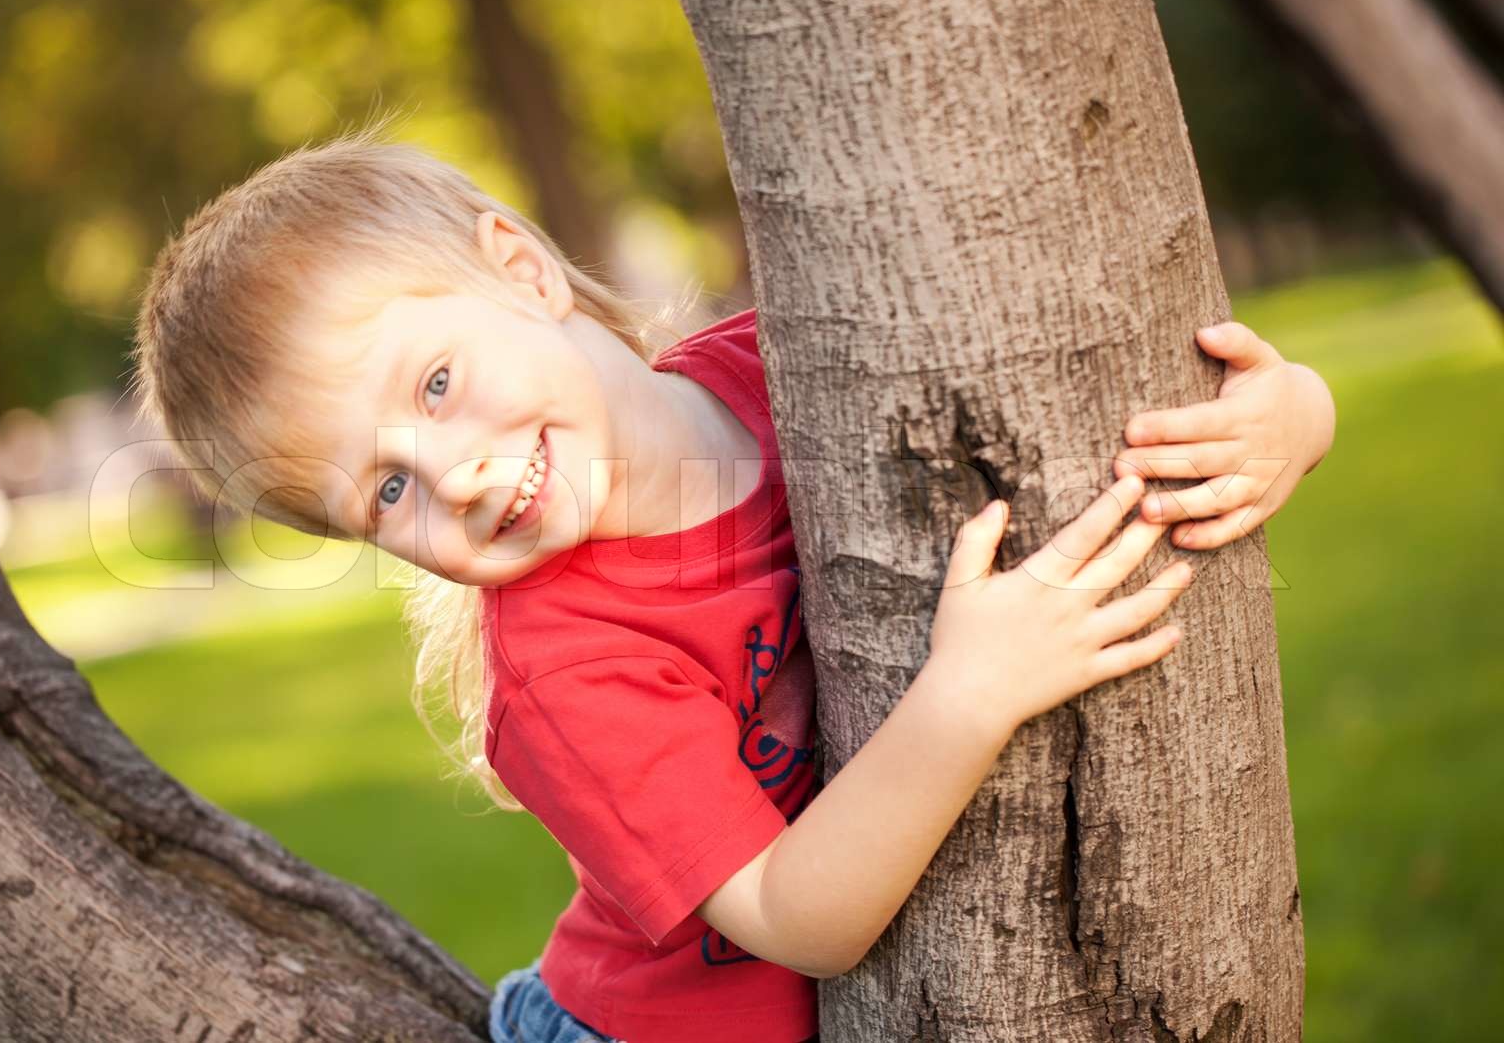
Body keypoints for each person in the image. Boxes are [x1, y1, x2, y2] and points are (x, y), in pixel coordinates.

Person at [129, 126, 1336, 1043]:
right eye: (384, 494)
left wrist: (1291, 415)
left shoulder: (789, 365)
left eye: (435, 384)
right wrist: (970, 694)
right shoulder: (563, 673)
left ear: (518, 266)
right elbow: (802, 917)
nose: (454, 475)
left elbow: (1142, 425)